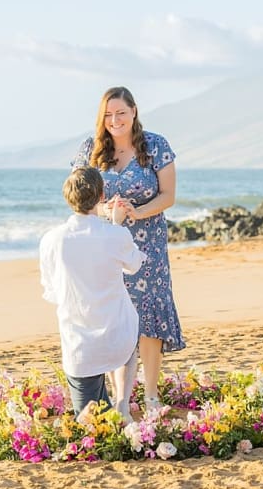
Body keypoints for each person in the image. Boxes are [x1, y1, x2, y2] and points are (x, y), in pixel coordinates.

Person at [71, 86, 185, 412]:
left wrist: (137, 212)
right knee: (115, 318)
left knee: (149, 317)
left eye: (121, 112)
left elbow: (168, 195)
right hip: (106, 244)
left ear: (134, 111)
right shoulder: (89, 150)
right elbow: (79, 196)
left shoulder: (156, 145)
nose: (115, 120)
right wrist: (108, 211)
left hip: (148, 244)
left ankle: (150, 395)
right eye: (108, 114)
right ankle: (120, 398)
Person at [39, 167, 145, 423]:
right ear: (101, 195)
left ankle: (116, 405)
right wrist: (116, 225)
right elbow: (135, 264)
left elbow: (52, 291)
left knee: (89, 424)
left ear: (68, 198)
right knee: (129, 333)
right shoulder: (115, 233)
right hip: (117, 336)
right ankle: (122, 401)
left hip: (79, 347)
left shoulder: (51, 239)